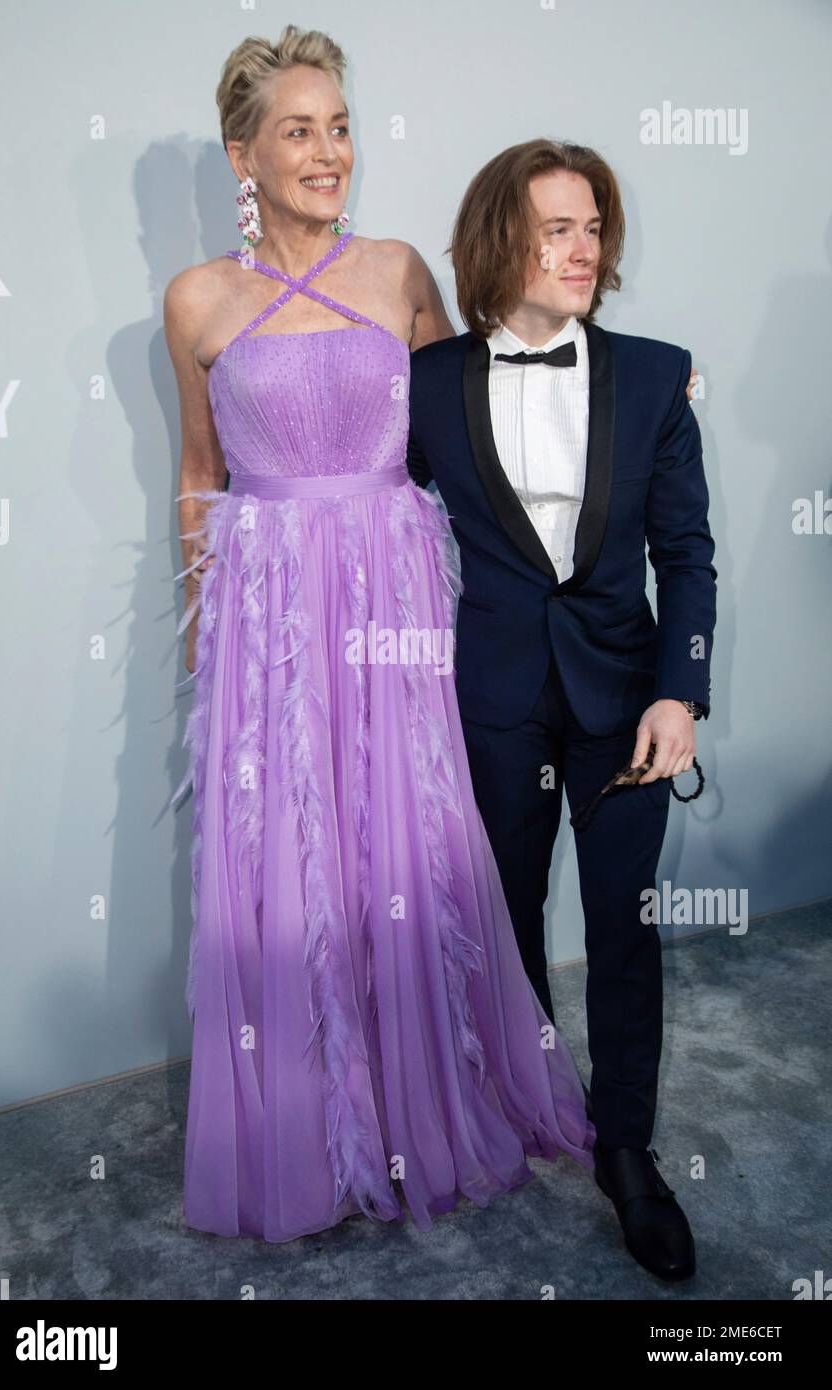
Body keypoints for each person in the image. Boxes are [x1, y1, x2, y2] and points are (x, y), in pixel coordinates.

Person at [164, 27, 595, 1246]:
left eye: (339, 126)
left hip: (397, 611)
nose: (326, 151)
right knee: (292, 870)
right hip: (269, 629)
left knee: (401, 854)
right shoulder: (196, 300)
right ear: (242, 153)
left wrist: (607, 378)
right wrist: (208, 651)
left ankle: (424, 1104)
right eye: (296, 130)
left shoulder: (400, 271)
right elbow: (198, 474)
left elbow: (471, 426)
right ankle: (311, 1128)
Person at [406, 138, 716, 1280]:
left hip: (626, 704)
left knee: (625, 930)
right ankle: (522, 1107)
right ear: (500, 239)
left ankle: (624, 1152)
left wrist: (679, 691)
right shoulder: (429, 382)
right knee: (504, 920)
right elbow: (369, 521)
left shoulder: (654, 372)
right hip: (487, 700)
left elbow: (687, 555)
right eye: (556, 229)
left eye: (592, 227)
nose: (582, 249)